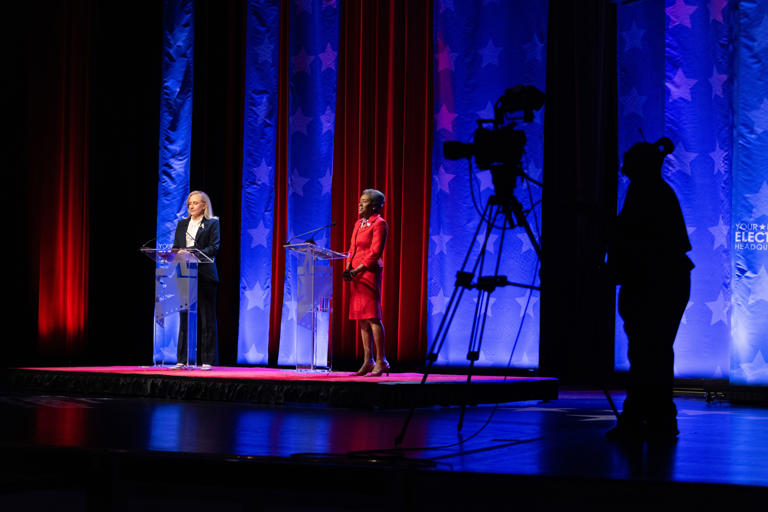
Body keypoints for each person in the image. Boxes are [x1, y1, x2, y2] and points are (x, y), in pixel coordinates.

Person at [607, 137, 694, 440]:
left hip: (654, 282)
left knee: (647, 352)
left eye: (628, 159)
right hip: (664, 280)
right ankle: (657, 420)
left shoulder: (646, 193)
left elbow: (631, 238)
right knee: (653, 352)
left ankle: (643, 419)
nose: (623, 165)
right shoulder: (652, 190)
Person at [343, 189, 389, 376]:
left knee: (372, 317)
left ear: (375, 206)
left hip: (368, 272)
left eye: (364, 202)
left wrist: (357, 269)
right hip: (354, 273)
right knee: (361, 319)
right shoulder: (358, 223)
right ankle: (367, 360)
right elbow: (352, 247)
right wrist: (347, 267)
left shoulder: (379, 224)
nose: (360, 205)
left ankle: (382, 360)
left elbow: (375, 252)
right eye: (360, 201)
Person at [173, 190, 220, 370]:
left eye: (195, 203)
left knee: (207, 318)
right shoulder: (181, 224)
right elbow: (175, 247)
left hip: (205, 275)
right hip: (185, 274)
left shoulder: (212, 224)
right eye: (189, 204)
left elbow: (214, 247)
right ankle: (182, 359)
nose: (192, 206)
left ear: (204, 205)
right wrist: (178, 252)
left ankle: (207, 360)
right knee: (184, 318)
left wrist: (193, 253)